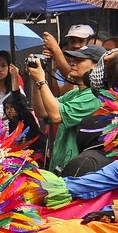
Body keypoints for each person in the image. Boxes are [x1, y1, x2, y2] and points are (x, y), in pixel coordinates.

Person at [28, 46, 102, 174]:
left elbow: (56, 115)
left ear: (96, 66)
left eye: (80, 60)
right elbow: (42, 112)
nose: (73, 63)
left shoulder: (95, 96)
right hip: (60, 165)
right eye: (73, 59)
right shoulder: (74, 93)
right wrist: (36, 82)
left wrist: (41, 81)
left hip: (76, 170)